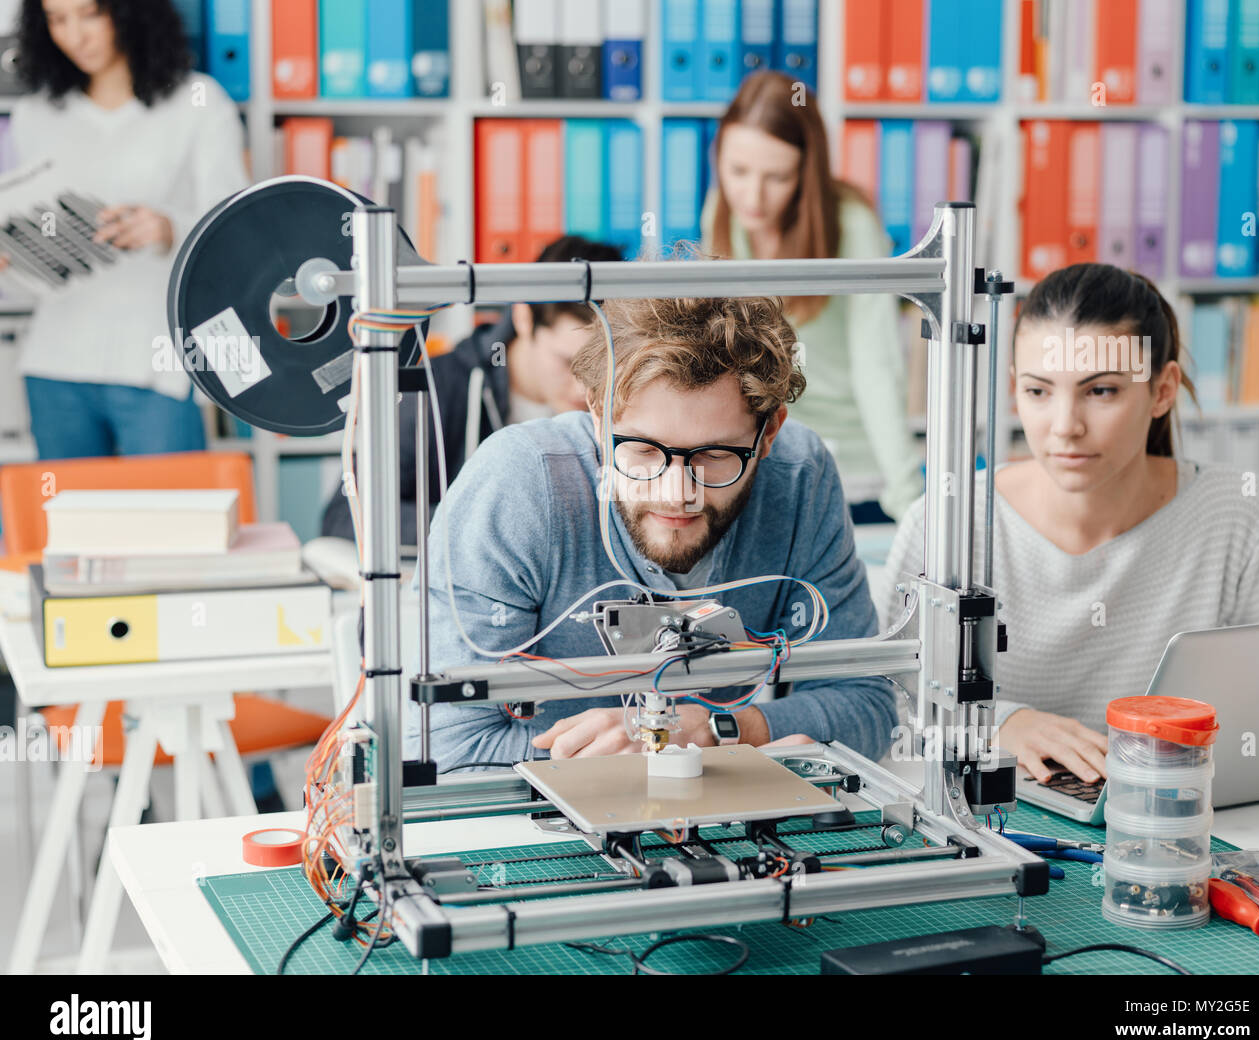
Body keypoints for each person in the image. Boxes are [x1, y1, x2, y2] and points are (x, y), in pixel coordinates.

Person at [411, 295, 898, 770]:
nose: (676, 493)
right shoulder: (519, 484)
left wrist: (715, 729)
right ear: (598, 415)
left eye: (713, 455)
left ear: (768, 433)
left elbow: (869, 708)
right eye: (644, 450)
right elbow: (439, 747)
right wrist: (642, 749)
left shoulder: (799, 475)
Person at [882, 263, 1259, 784]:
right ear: (1014, 391)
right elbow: (889, 703)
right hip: (999, 812)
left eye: (1100, 391)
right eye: (1039, 392)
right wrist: (1001, 723)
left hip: (1187, 809)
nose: (1065, 426)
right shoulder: (948, 520)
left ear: (1163, 391)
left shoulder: (1242, 514)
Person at [5, 0, 248, 459]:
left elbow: (235, 233)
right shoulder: (35, 115)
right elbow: (35, 272)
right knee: (68, 524)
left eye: (90, 14)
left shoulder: (198, 101)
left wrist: (168, 227)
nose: (75, 36)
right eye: (58, 20)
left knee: (169, 520)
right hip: (57, 363)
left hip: (156, 359)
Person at [703, 70, 922, 523]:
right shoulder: (719, 215)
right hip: (758, 459)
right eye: (738, 170)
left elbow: (876, 366)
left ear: (806, 171)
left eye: (777, 177)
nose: (752, 197)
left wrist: (911, 501)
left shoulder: (852, 225)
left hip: (849, 468)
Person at [320, 236, 624, 544]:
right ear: (523, 316)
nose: (585, 387)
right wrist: (487, 525)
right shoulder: (438, 386)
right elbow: (346, 516)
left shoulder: (626, 396)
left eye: (601, 366)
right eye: (568, 363)